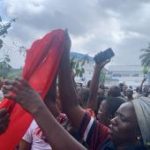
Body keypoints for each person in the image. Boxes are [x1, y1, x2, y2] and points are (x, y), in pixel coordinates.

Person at [2, 32, 150, 149]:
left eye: (123, 119)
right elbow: (71, 106)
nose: (113, 120)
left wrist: (36, 106)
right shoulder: (106, 138)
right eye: (117, 115)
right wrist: (63, 52)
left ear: (140, 134)